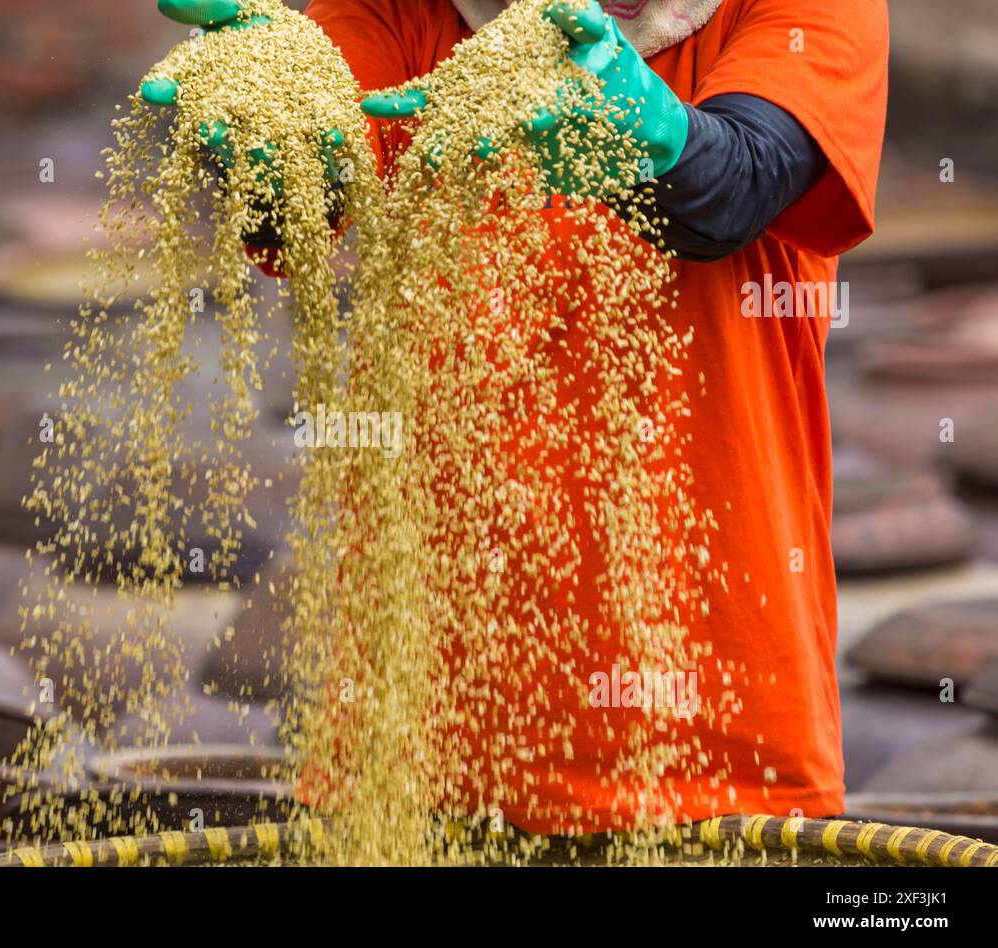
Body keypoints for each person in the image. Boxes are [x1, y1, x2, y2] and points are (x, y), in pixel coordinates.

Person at [148, 0, 890, 834]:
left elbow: (736, 185)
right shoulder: (403, 13)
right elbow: (305, 198)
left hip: (716, 755)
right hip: (415, 757)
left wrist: (654, 137)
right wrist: (271, 138)